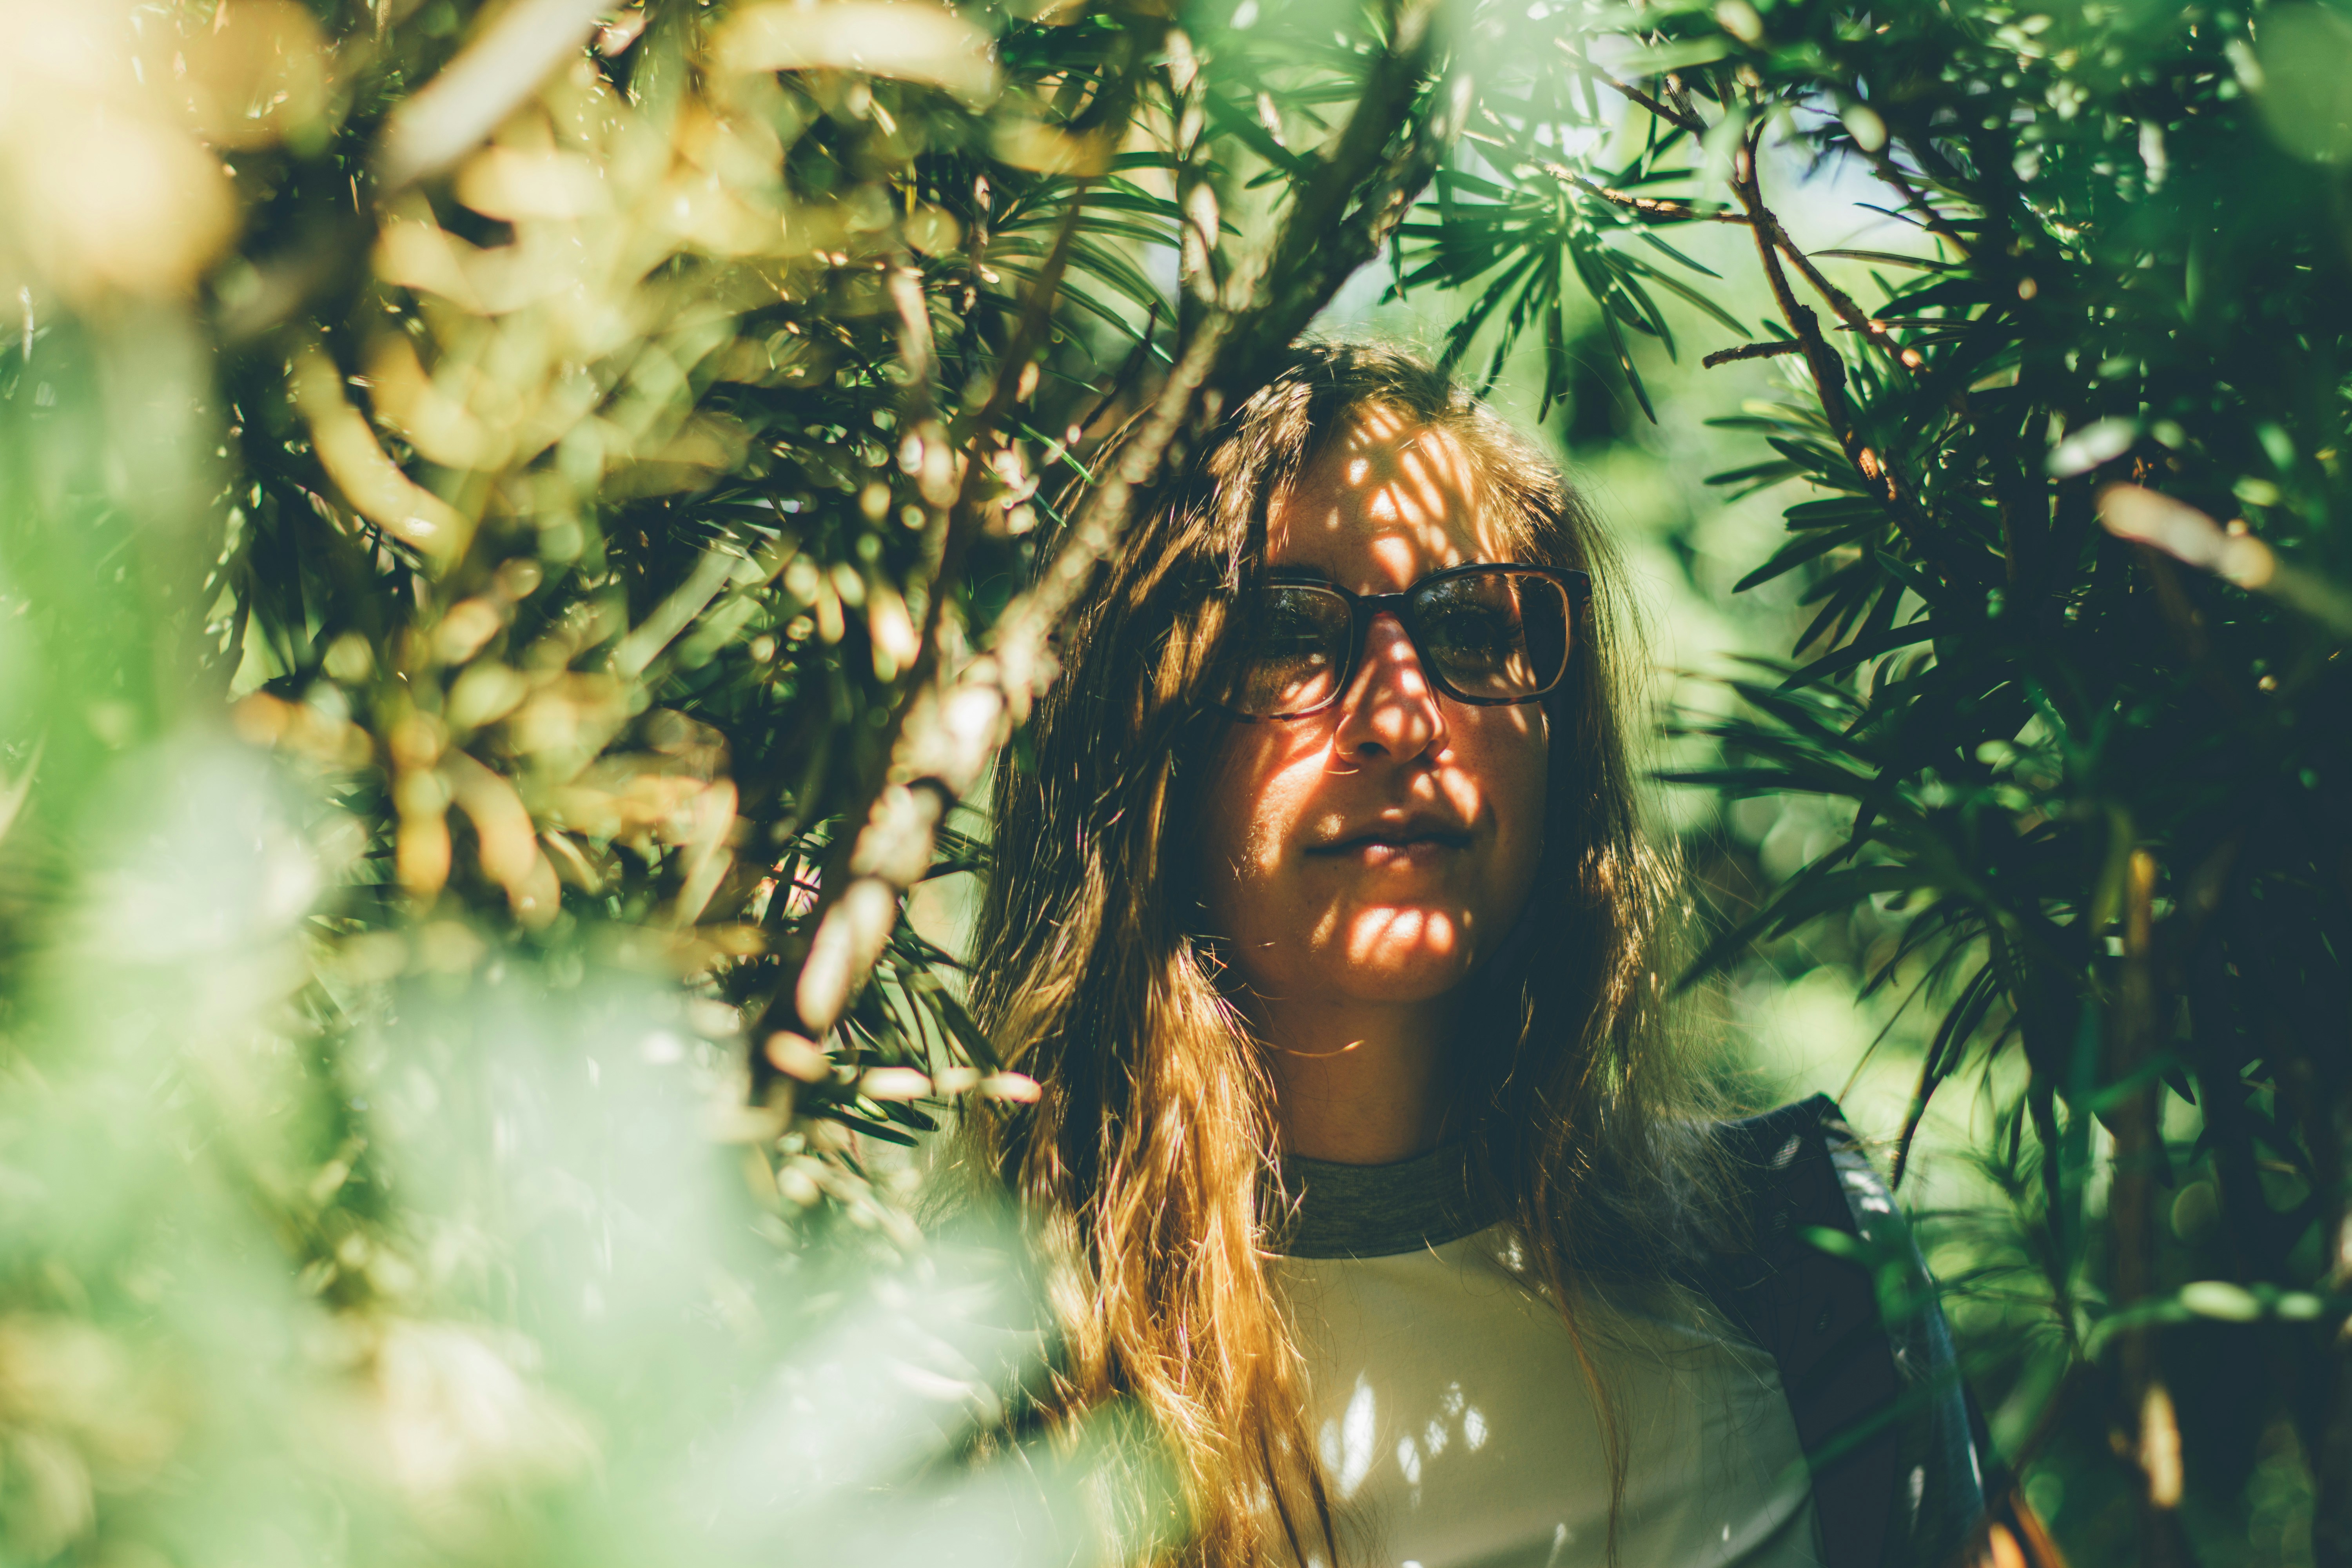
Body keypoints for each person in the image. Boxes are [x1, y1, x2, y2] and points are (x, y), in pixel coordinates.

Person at [959, 343, 1998, 1568]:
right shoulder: (988, 1371)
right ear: (1146, 747)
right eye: (1290, 632)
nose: (1403, 713)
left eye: (1468, 627)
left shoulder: (1795, 1261)